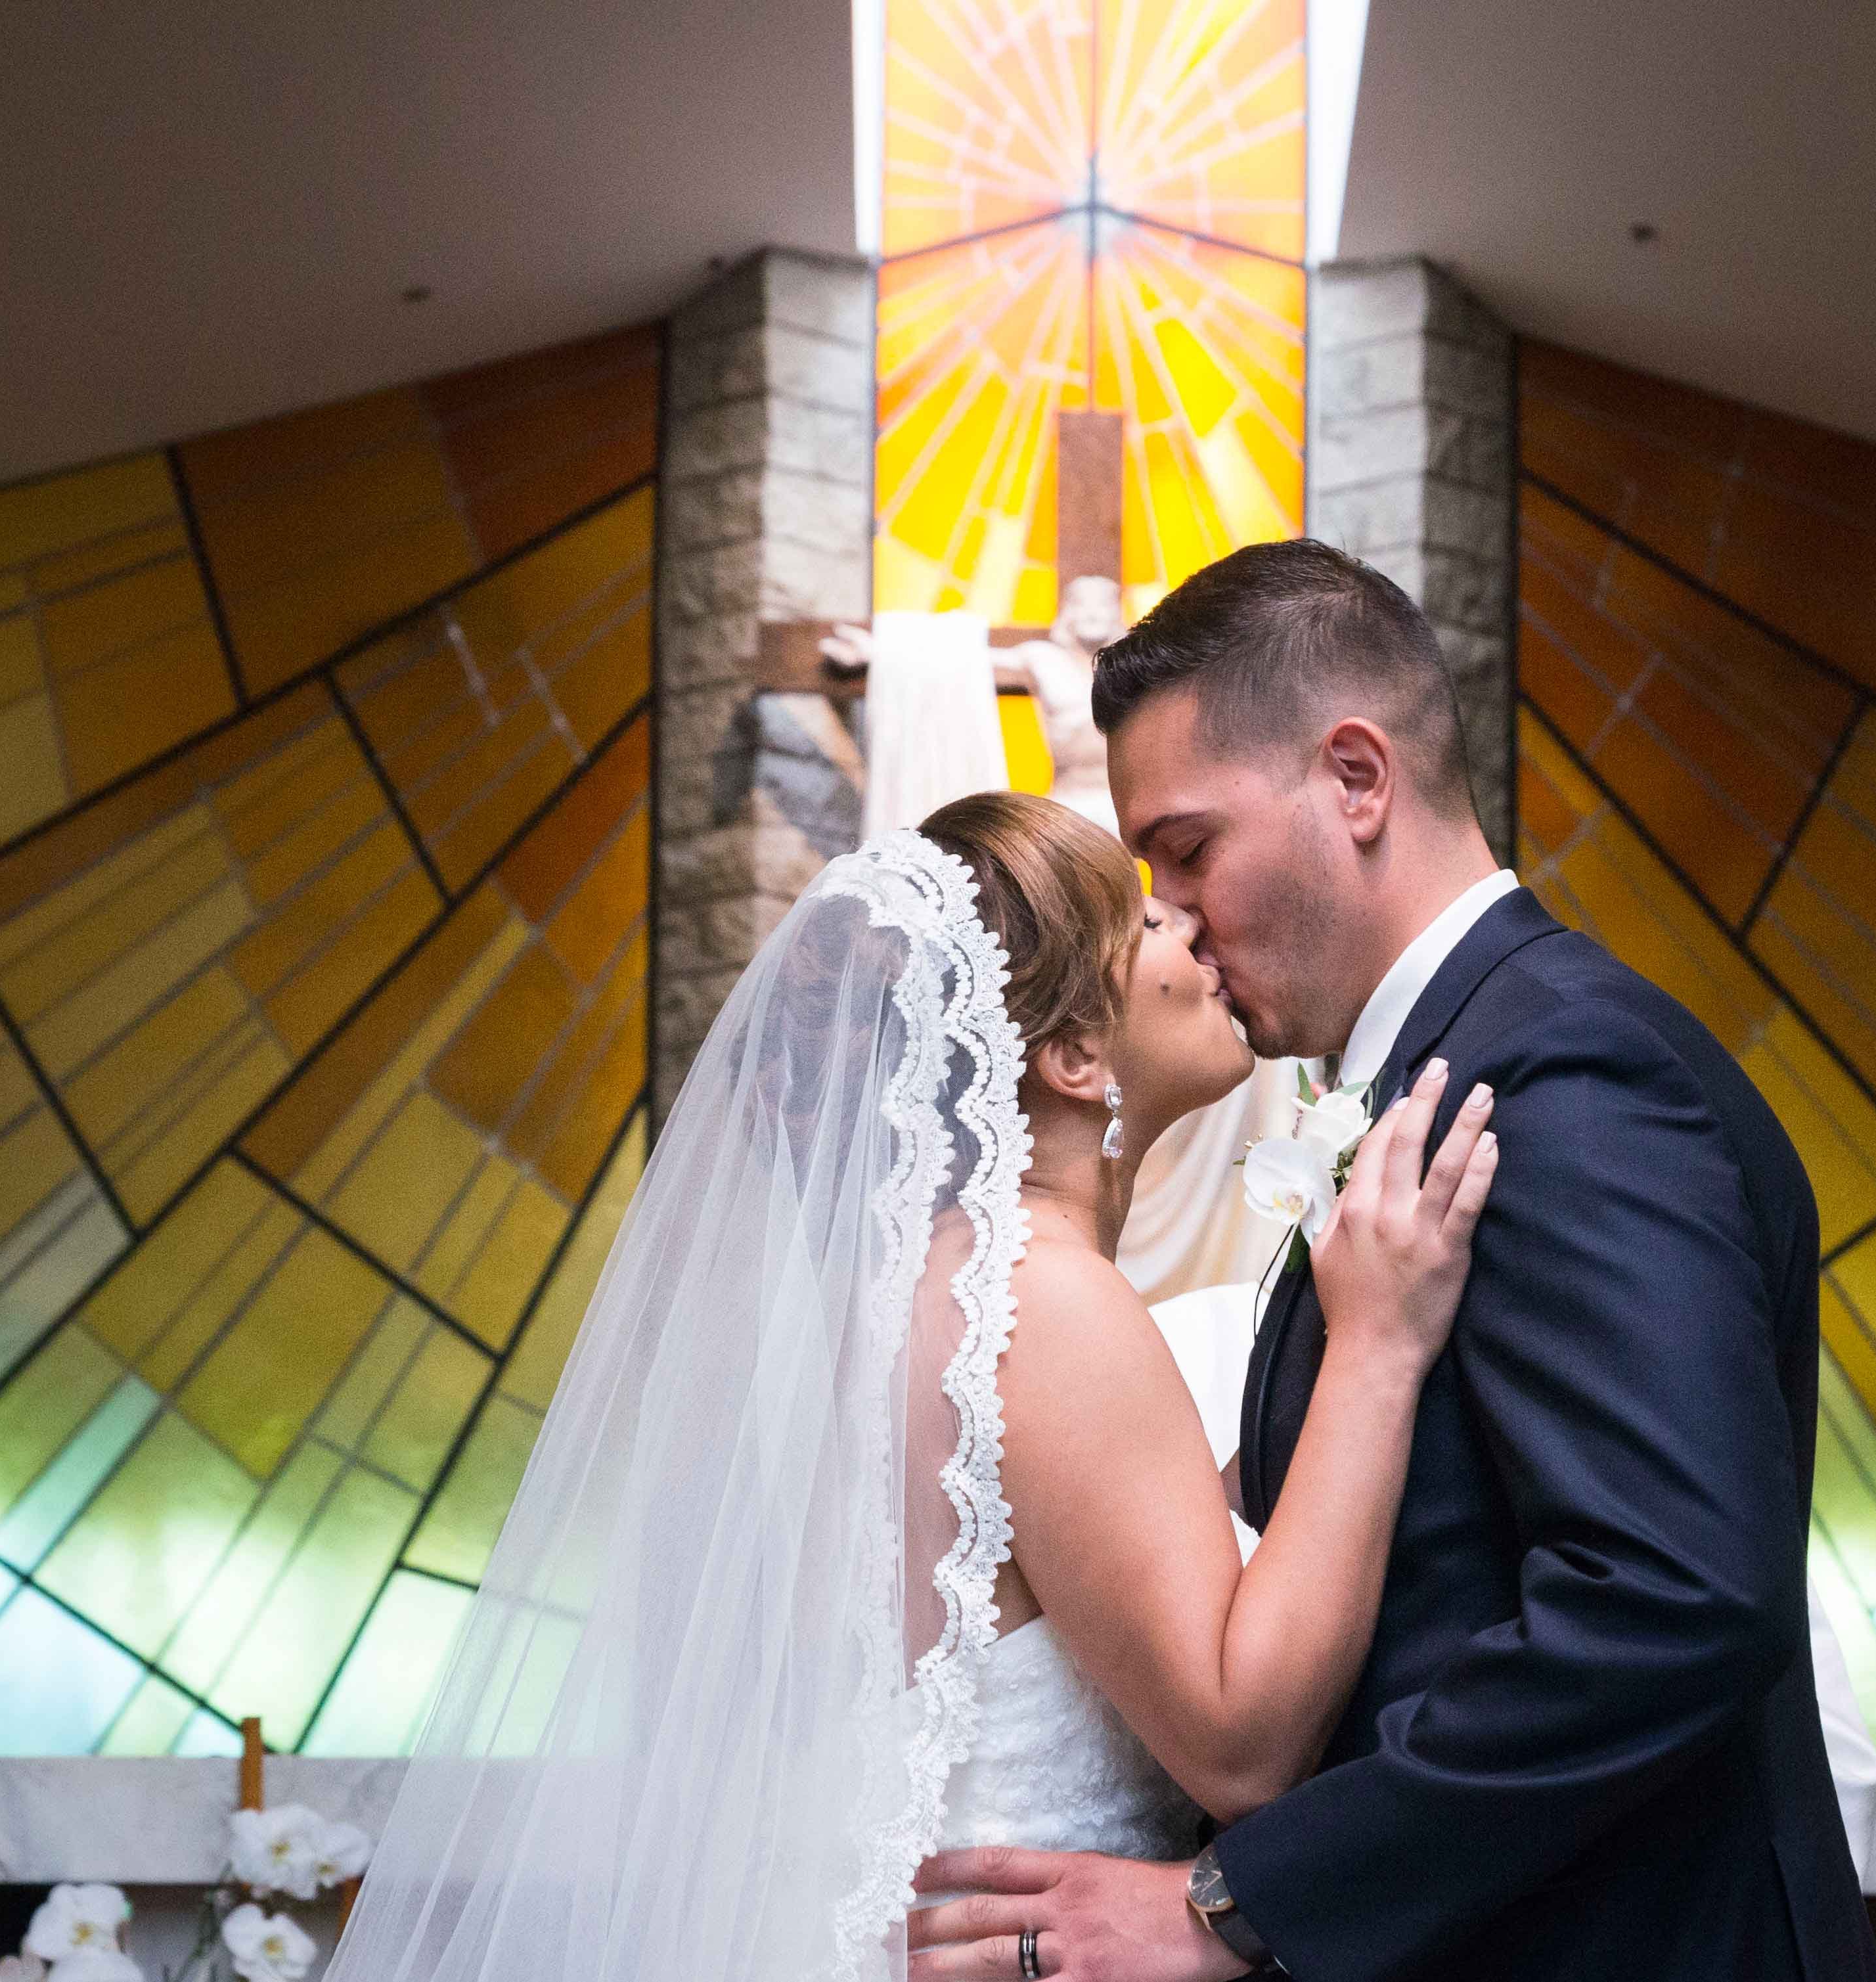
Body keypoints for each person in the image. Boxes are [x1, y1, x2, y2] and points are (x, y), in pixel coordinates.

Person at [909, 539, 1876, 1979]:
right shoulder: (1444, 1080)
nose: (1176, 915)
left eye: (1189, 850)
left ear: (1357, 779)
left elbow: (1670, 1590)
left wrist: (1235, 1904)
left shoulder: (1564, 1076)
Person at [322, 786, 1497, 1982]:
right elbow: (1242, 1744)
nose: (1191, 924)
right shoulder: (1037, 1300)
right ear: (1074, 1055)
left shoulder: (901, 1309)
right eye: (1146, 923)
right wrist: (1376, 1348)